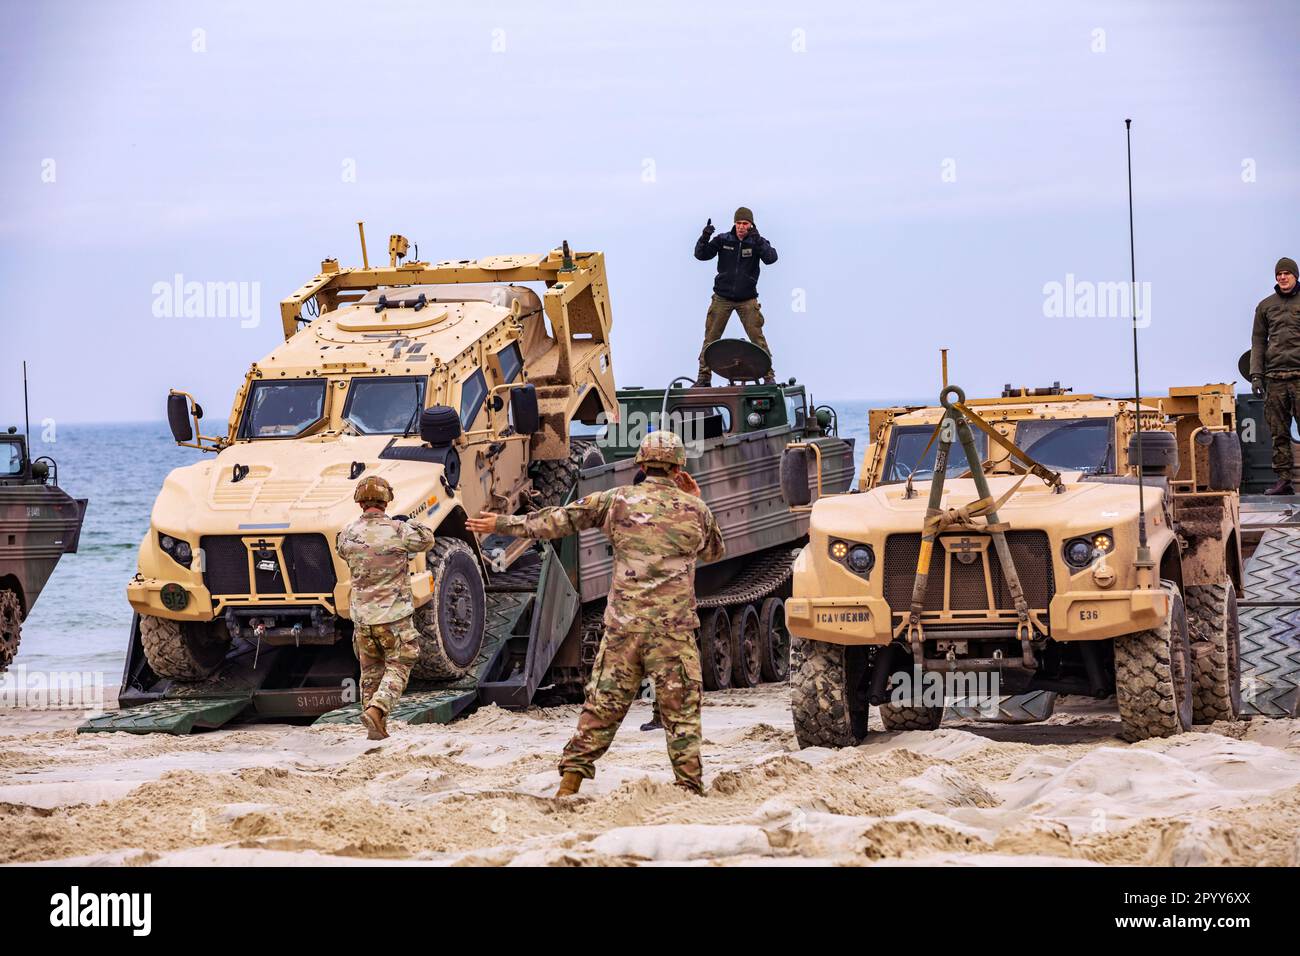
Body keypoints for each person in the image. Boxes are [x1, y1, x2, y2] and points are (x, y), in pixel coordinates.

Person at [466, 431, 724, 796]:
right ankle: (689, 787)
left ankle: (569, 785)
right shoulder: (695, 510)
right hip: (673, 632)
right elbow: (713, 552)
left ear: (641, 463)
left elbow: (557, 520)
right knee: (681, 714)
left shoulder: (615, 501)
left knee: (602, 708)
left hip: (623, 629)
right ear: (679, 466)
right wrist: (693, 500)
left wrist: (502, 525)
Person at [336, 475, 436, 739]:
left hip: (362, 620)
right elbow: (427, 540)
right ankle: (377, 710)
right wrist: (407, 521)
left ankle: (375, 727)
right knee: (401, 663)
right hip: (394, 617)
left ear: (359, 502)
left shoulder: (347, 533)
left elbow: (342, 551)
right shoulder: (398, 531)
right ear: (386, 500)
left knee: (370, 671)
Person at [694, 207, 779, 387]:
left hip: (747, 299)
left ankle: (769, 377)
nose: (741, 227)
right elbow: (701, 255)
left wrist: (757, 240)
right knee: (710, 339)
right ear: (734, 223)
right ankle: (703, 378)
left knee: (757, 339)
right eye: (738, 223)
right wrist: (704, 237)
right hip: (722, 297)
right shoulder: (723, 239)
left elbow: (771, 258)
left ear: (751, 224)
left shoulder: (757, 241)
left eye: (745, 223)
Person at [1250, 256, 1300, 495]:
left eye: (1286, 273)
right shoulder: (1265, 305)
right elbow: (1258, 342)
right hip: (1275, 378)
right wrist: (1256, 375)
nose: (1282, 277)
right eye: (1279, 274)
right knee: (1278, 432)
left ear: (1295, 275)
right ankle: (1284, 480)